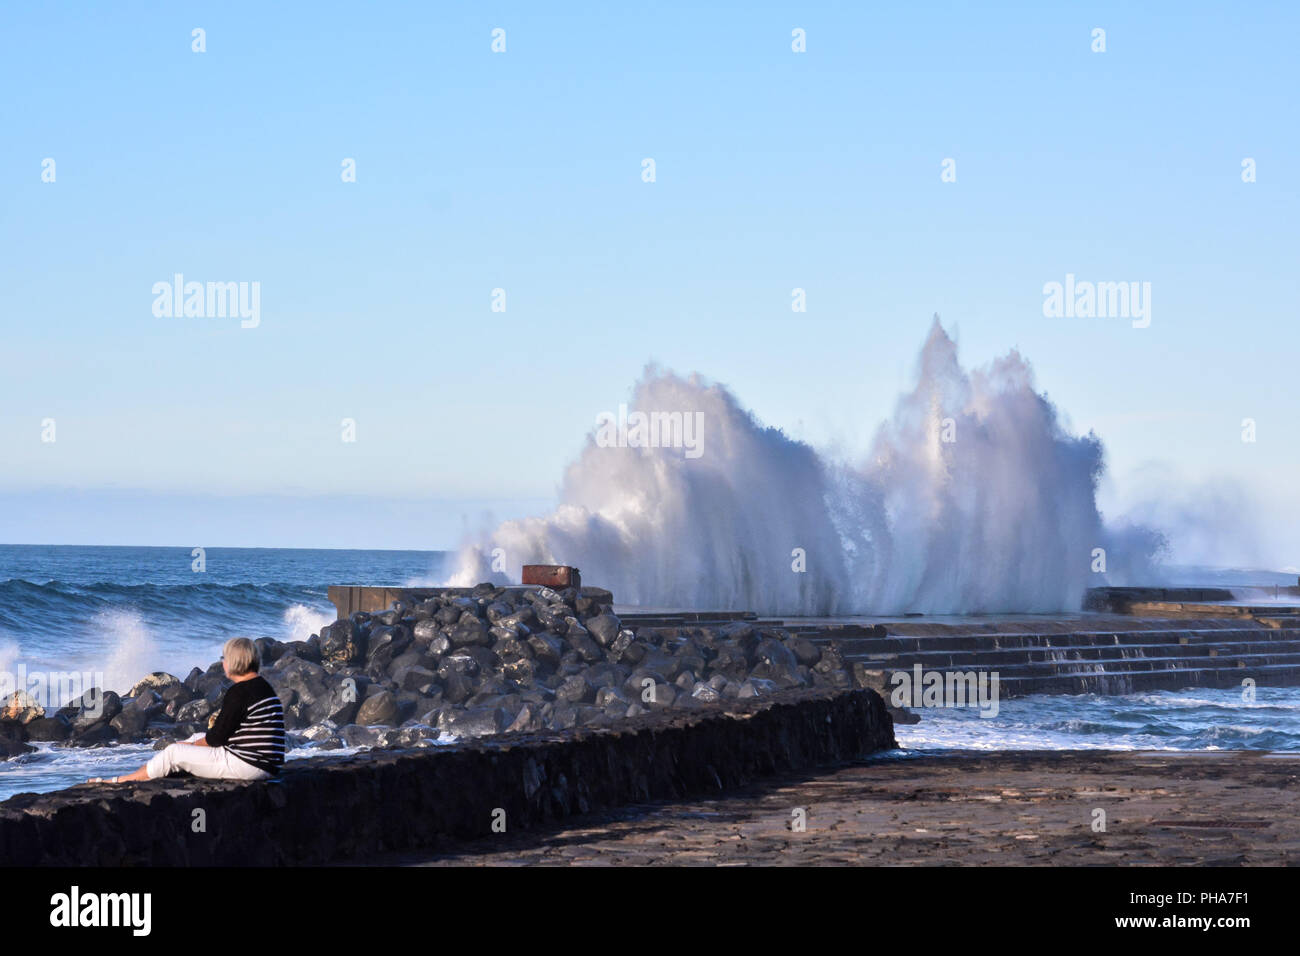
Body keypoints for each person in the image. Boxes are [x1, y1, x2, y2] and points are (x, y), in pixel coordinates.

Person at [89, 637, 285, 784]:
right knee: (195, 738)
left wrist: (190, 746)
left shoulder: (240, 691)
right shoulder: (262, 686)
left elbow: (217, 738)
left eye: (224, 658)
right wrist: (194, 743)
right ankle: (150, 773)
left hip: (248, 766)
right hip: (267, 764)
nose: (223, 663)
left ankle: (122, 781)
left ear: (234, 662)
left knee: (174, 752)